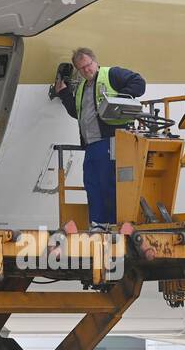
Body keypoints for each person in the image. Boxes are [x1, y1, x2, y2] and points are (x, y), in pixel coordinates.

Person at [54, 47, 146, 230]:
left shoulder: (111, 74)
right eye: (82, 68)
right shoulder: (82, 87)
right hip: (91, 144)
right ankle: (98, 223)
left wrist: (116, 101)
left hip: (109, 140)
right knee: (91, 183)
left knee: (108, 182)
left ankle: (112, 223)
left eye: (88, 65)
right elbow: (77, 112)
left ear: (95, 62)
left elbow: (139, 83)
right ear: (78, 71)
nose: (87, 70)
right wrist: (64, 93)